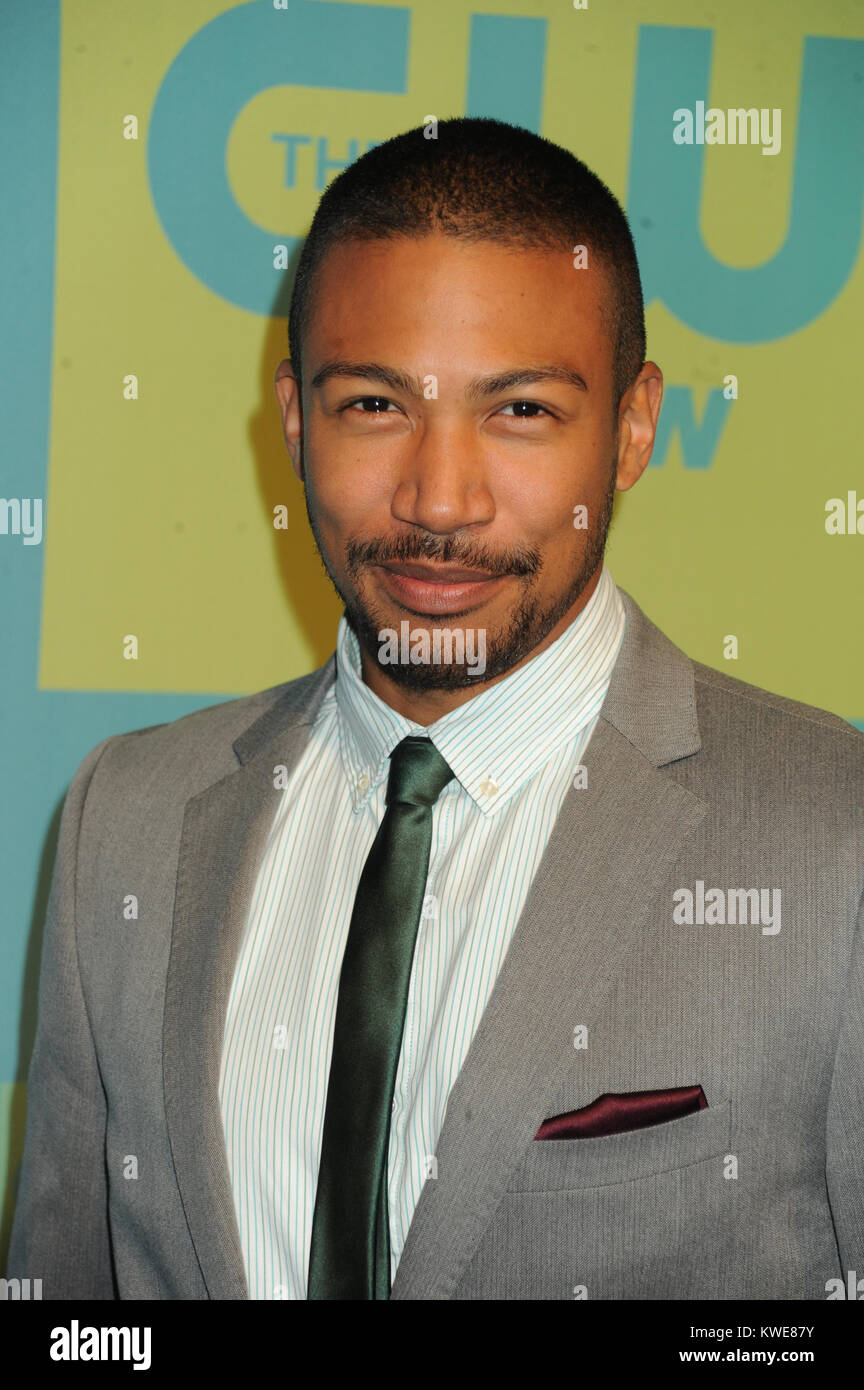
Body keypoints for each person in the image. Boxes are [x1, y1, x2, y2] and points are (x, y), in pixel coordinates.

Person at [8, 117, 864, 1301]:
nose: (440, 498)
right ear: (295, 418)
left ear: (632, 426)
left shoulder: (837, 837)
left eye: (520, 411)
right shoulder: (127, 816)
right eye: (373, 405)